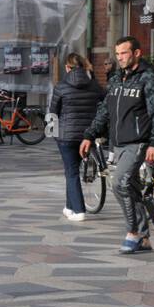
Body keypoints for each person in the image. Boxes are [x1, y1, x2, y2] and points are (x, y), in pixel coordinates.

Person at [80, 36, 154, 254]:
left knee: (120, 182)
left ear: (137, 53)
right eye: (117, 54)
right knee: (131, 189)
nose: (120, 58)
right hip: (117, 142)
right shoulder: (116, 78)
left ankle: (133, 232)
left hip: (138, 142)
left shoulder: (149, 78)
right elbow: (104, 110)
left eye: (124, 53)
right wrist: (89, 134)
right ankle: (145, 238)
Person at [50, 52, 105, 220]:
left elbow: (53, 112)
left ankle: (79, 210)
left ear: (67, 67)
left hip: (66, 136)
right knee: (72, 170)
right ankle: (69, 206)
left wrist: (52, 133)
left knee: (71, 172)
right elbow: (104, 107)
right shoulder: (95, 85)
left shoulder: (61, 86)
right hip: (87, 135)